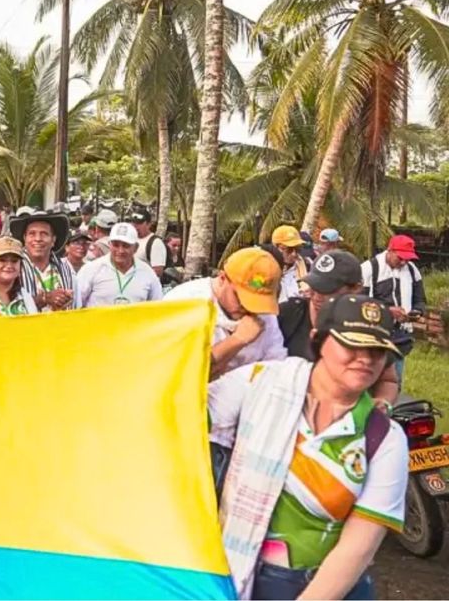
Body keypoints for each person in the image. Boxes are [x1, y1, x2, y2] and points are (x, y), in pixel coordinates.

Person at [210, 295, 407, 600]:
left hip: (332, 588)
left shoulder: (383, 437)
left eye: (378, 350)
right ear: (318, 339)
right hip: (243, 574)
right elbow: (185, 410)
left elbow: (359, 546)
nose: (366, 359)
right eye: (352, 345)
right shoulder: (262, 382)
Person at [277, 251, 402, 407]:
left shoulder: (366, 322)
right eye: (314, 287)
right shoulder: (287, 315)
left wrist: (383, 402)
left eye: (328, 290)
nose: (317, 296)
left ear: (356, 288)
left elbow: (388, 380)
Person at [165, 247, 286, 377]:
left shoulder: (264, 314)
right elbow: (176, 372)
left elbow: (276, 365)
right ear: (222, 278)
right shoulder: (184, 302)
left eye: (257, 302)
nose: (248, 307)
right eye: (239, 297)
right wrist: (237, 340)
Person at [362, 234, 427, 384]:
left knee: (393, 382)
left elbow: (420, 299)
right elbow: (359, 303)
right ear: (390, 251)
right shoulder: (369, 269)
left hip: (399, 336)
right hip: (374, 334)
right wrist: (388, 310)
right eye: (400, 258)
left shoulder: (411, 270)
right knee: (369, 382)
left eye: (407, 259)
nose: (404, 262)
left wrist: (417, 311)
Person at [76, 223, 163, 308]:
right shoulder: (91, 269)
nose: (120, 250)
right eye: (116, 245)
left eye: (126, 246)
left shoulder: (147, 273)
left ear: (135, 248)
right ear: (109, 245)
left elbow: (157, 307)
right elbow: (76, 303)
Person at [9, 210, 74, 312]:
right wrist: (44, 299)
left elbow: (77, 306)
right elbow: (7, 309)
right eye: (32, 234)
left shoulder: (66, 268)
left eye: (44, 234)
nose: (38, 239)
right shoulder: (12, 268)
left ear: (53, 240)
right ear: (24, 239)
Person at [271, 225, 309, 303]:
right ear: (276, 248)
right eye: (289, 249)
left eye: (297, 249)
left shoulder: (304, 267)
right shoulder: (264, 267)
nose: (294, 254)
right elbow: (253, 286)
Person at [130, 209, 168, 278]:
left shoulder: (155, 243)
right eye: (133, 223)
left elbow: (158, 271)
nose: (135, 226)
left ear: (148, 224)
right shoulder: (130, 239)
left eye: (139, 223)